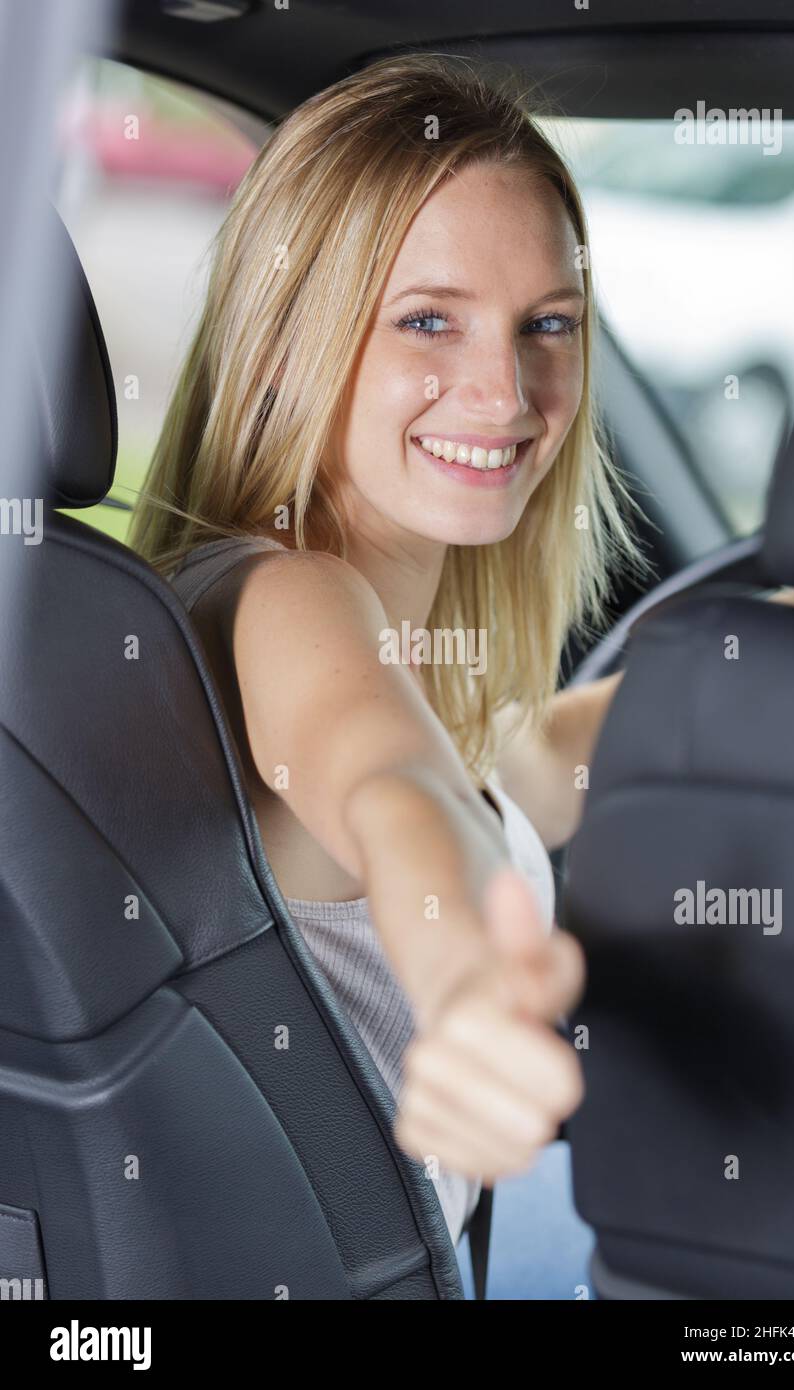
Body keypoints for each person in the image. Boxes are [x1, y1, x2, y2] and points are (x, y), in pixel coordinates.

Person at [129, 52, 643, 1246]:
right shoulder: (289, 603)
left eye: (546, 325)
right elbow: (389, 786)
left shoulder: (330, 616)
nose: (505, 390)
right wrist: (465, 981)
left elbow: (506, 768)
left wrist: (768, 654)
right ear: (283, 341)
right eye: (427, 321)